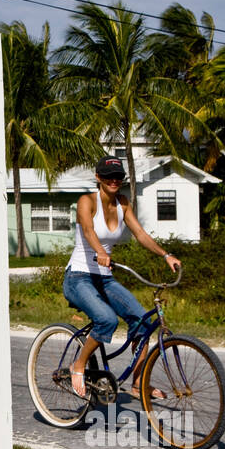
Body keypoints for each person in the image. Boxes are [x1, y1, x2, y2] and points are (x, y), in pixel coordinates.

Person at [62, 154, 182, 399]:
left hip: (104, 278)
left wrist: (165, 254)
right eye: (108, 176)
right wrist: (99, 252)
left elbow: (140, 233)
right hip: (78, 277)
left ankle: (138, 384)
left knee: (142, 323)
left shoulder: (123, 203)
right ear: (98, 177)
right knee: (107, 320)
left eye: (118, 177)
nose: (113, 181)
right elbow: (88, 230)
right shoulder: (87, 201)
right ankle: (78, 365)